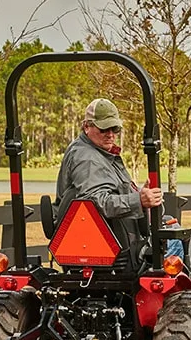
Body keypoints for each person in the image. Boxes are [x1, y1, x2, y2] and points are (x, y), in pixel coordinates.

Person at [55, 97, 178, 261]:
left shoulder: (100, 153)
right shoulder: (88, 159)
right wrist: (138, 200)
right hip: (112, 243)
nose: (110, 134)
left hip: (117, 233)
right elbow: (95, 203)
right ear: (86, 126)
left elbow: (111, 191)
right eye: (104, 129)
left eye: (114, 129)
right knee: (179, 241)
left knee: (170, 224)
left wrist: (138, 193)